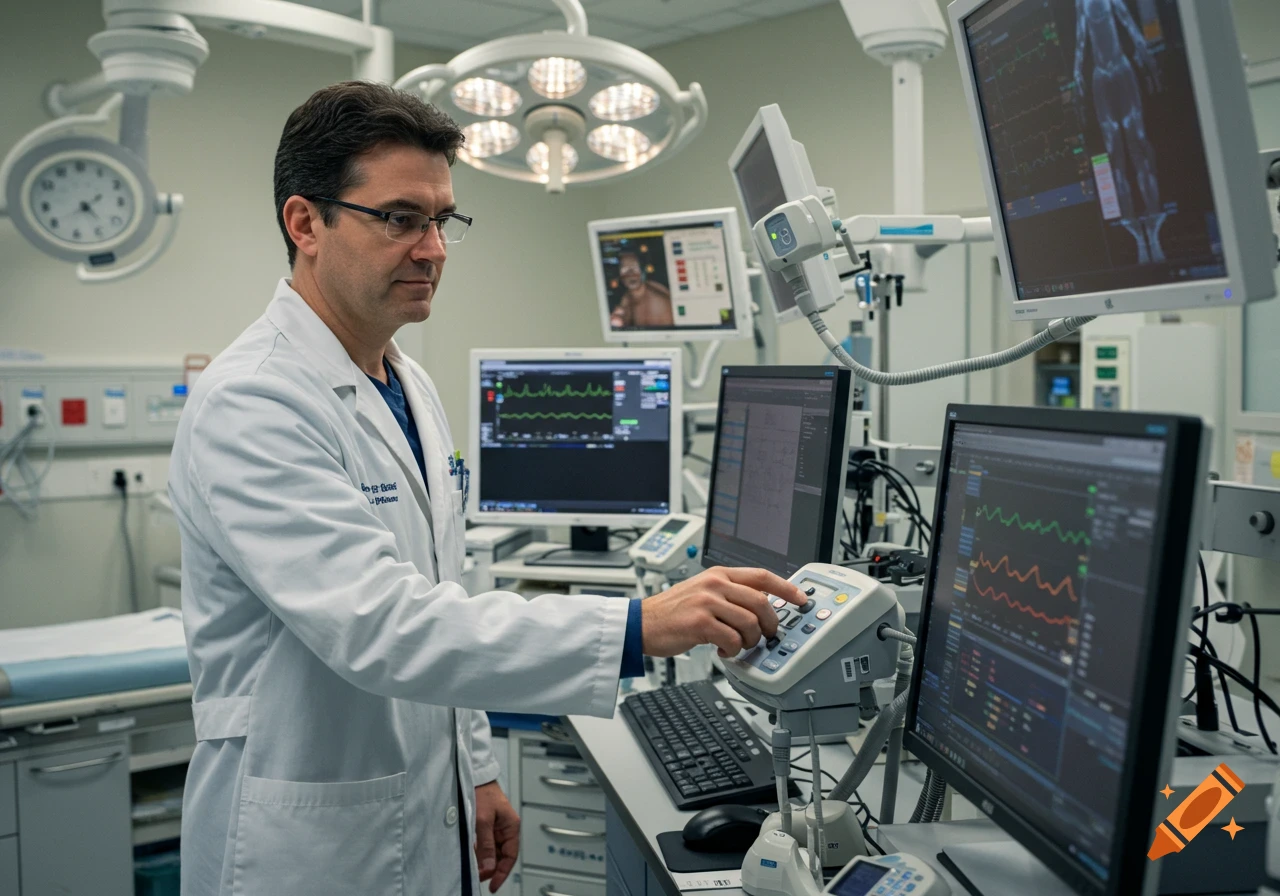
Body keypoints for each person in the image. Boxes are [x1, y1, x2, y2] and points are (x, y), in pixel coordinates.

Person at [168, 81, 806, 896]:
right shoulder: (252, 401)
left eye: (442, 220)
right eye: (401, 218)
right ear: (306, 223)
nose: (433, 249)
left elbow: (445, 592)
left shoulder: (407, 383)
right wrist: (639, 626)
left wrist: (474, 771)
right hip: (308, 843)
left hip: (419, 811)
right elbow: (386, 627)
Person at [609, 249, 675, 328]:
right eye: (625, 269)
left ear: (643, 270)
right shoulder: (627, 297)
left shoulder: (655, 302)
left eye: (635, 268)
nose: (631, 274)